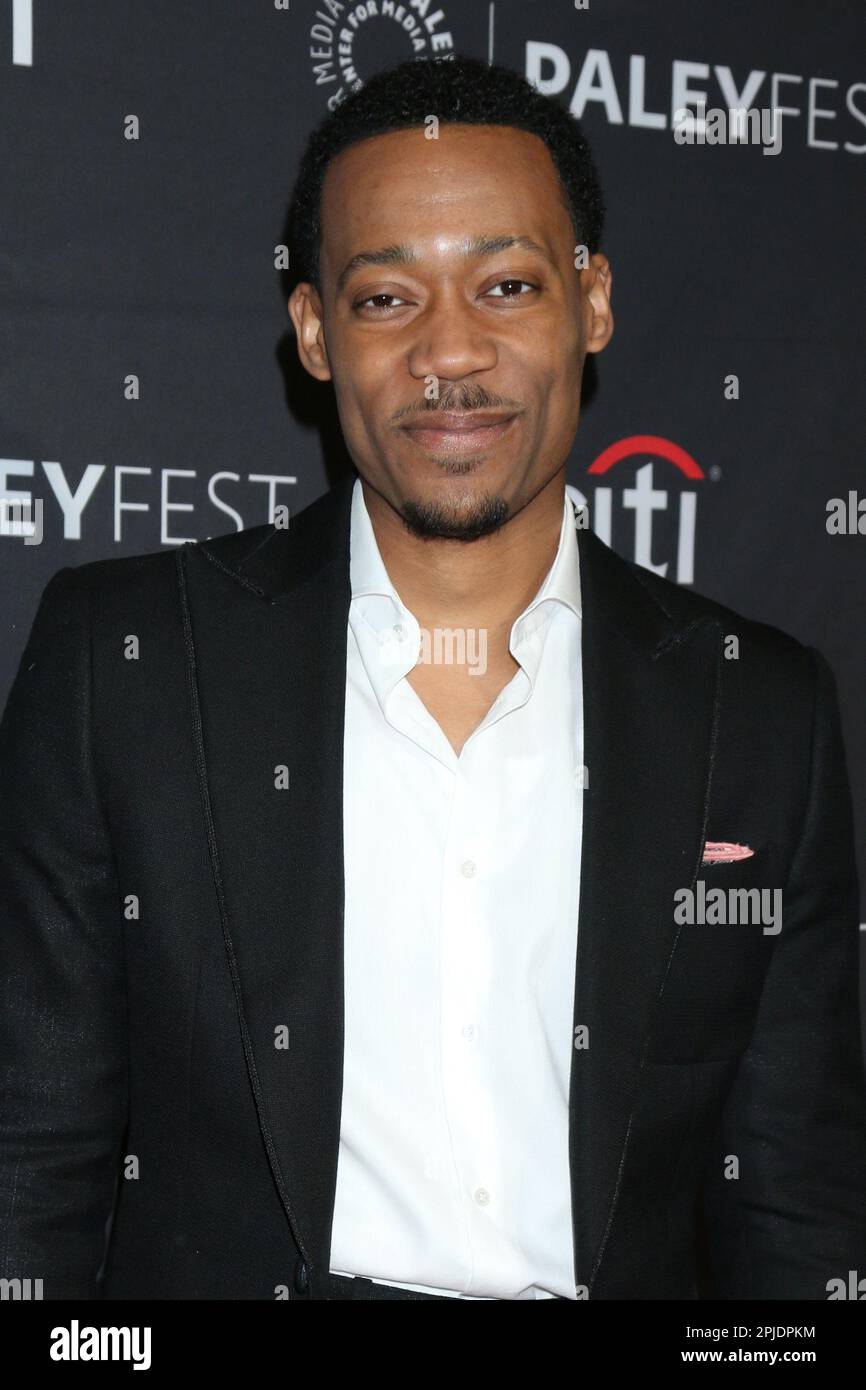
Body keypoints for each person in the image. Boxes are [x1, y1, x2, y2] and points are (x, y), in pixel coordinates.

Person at [1, 53, 865, 1302]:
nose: (449, 355)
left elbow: (792, 1199)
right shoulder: (125, 664)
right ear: (312, 331)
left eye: (506, 284)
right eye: (386, 298)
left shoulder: (758, 711)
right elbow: (31, 1153)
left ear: (592, 303)